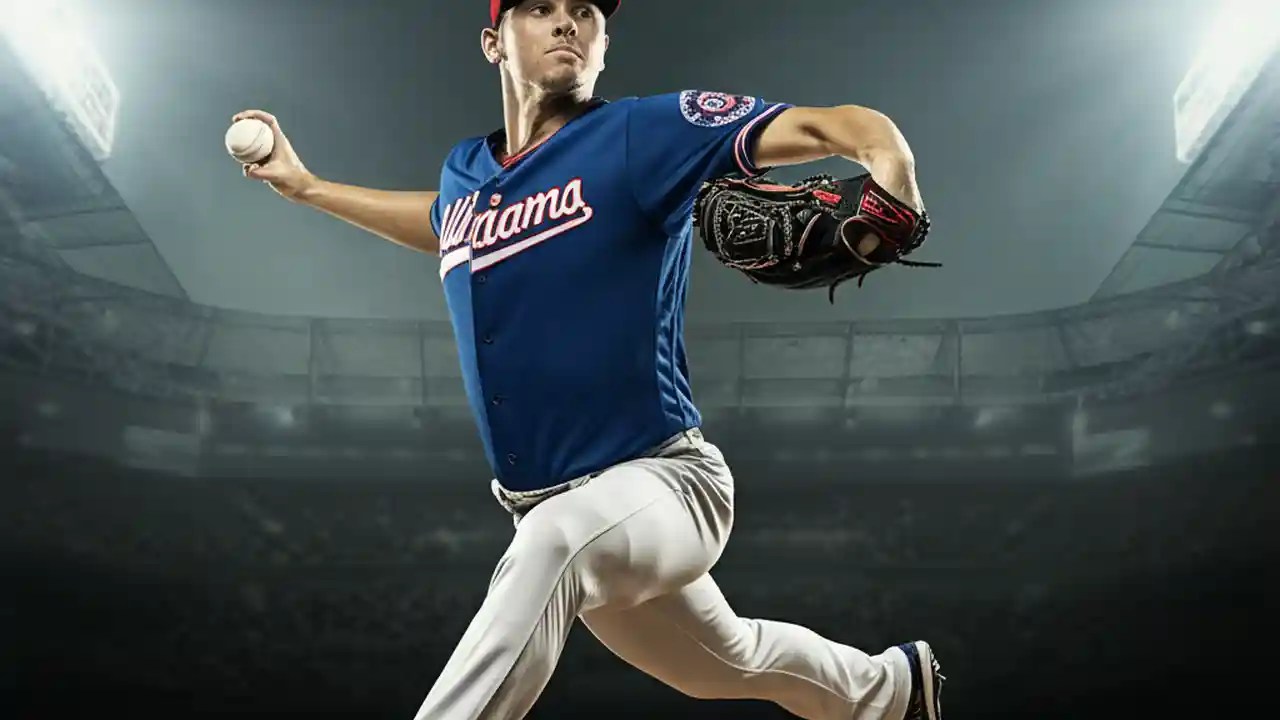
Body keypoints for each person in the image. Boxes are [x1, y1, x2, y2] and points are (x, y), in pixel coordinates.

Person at [232, 1, 942, 718]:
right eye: (540, 8)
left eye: (585, 12)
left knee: (556, 544)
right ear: (493, 43)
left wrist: (893, 168)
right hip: (556, 506)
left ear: (604, 45)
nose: (567, 23)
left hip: (664, 482)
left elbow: (836, 126)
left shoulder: (642, 134)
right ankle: (890, 689)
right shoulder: (465, 174)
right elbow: (447, 224)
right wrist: (308, 187)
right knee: (725, 660)